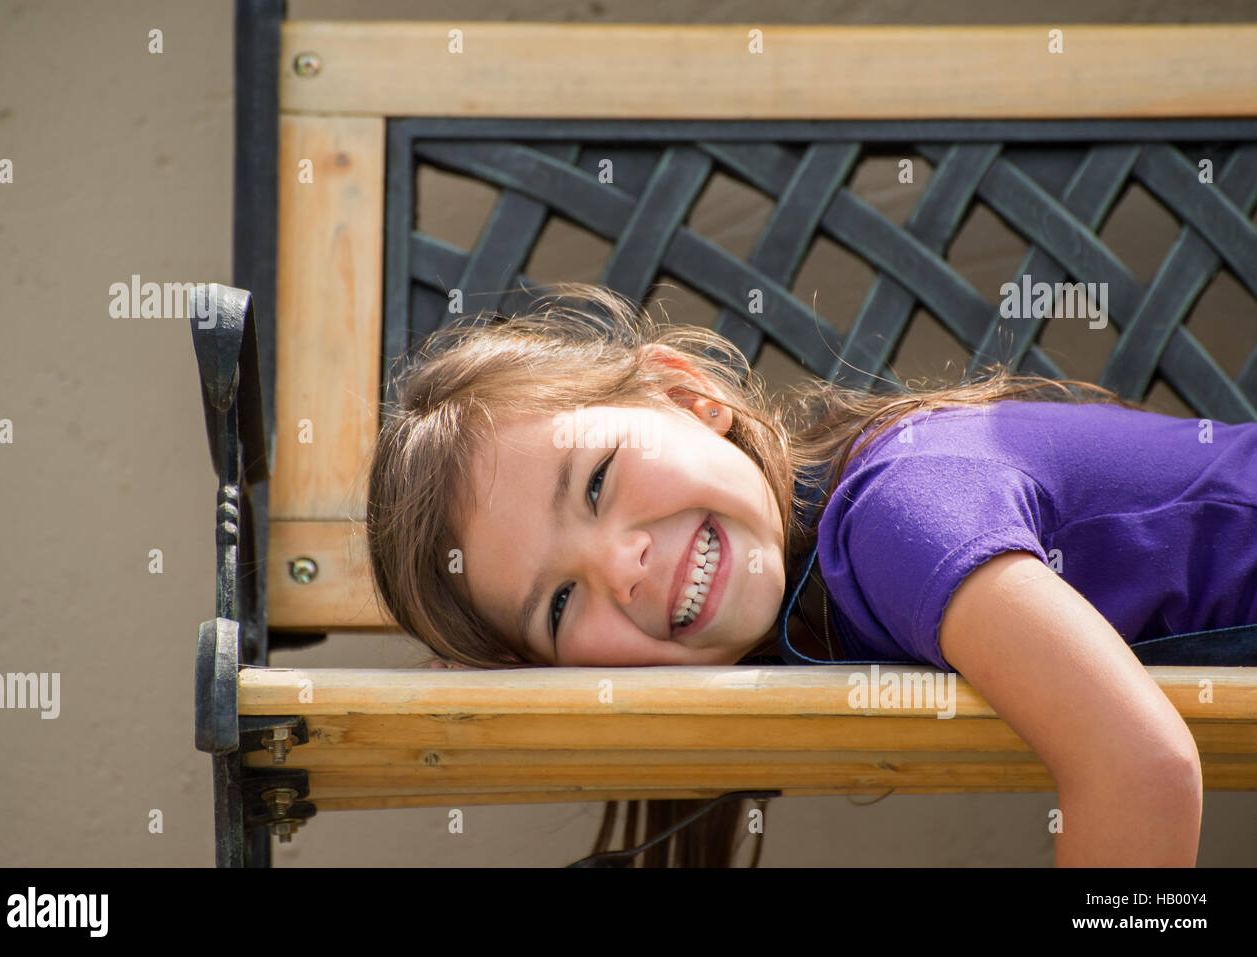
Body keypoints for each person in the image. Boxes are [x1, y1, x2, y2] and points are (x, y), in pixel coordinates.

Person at [366, 281, 1257, 867]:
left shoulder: (896, 513)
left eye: (596, 481)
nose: (620, 566)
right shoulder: (805, 595)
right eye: (558, 604)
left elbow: (1139, 765)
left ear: (686, 397)